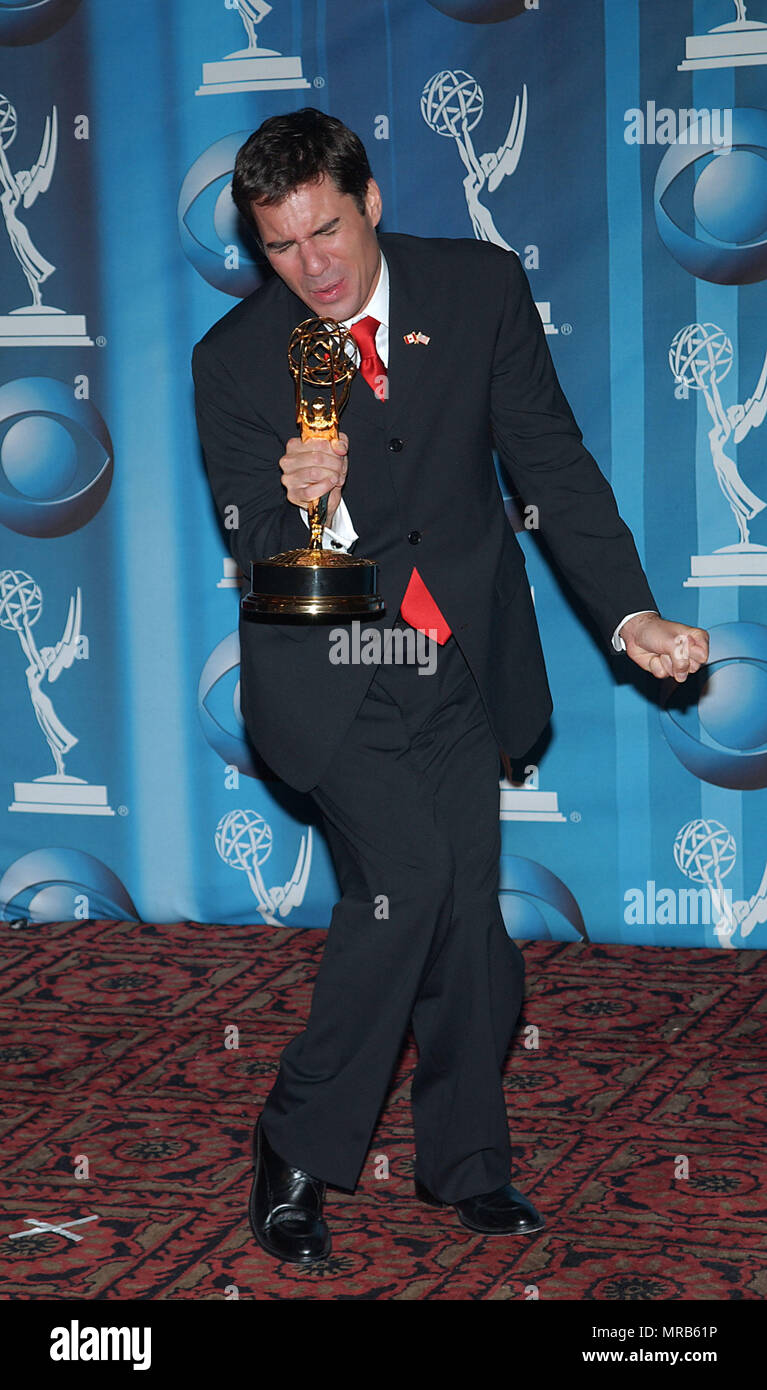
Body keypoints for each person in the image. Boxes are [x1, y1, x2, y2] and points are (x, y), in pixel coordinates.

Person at [192, 108, 709, 1266]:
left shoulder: (476, 289)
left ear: (370, 202)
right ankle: (297, 1142)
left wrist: (628, 612)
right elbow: (263, 559)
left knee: (467, 919)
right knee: (410, 886)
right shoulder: (231, 363)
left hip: (461, 659)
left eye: (325, 231)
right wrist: (307, 510)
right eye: (279, 246)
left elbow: (549, 463)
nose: (310, 267)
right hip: (331, 671)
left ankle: (465, 1161)